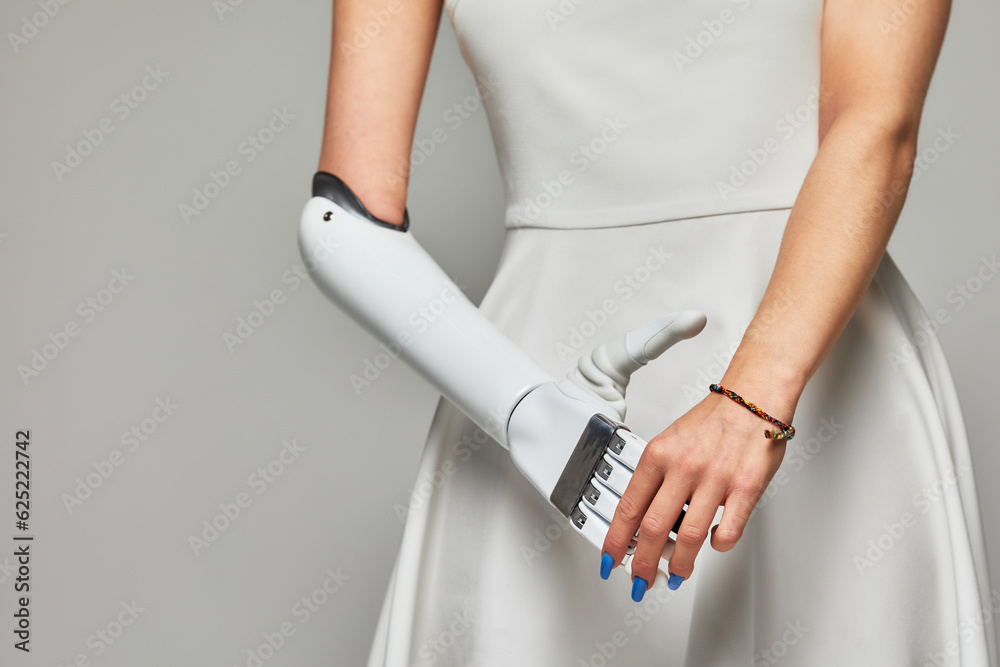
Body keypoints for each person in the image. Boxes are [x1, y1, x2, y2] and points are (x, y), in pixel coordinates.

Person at [315, 0, 997, 664]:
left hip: (816, 383)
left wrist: (752, 400)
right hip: (533, 399)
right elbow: (342, 221)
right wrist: (530, 412)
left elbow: (877, 123)